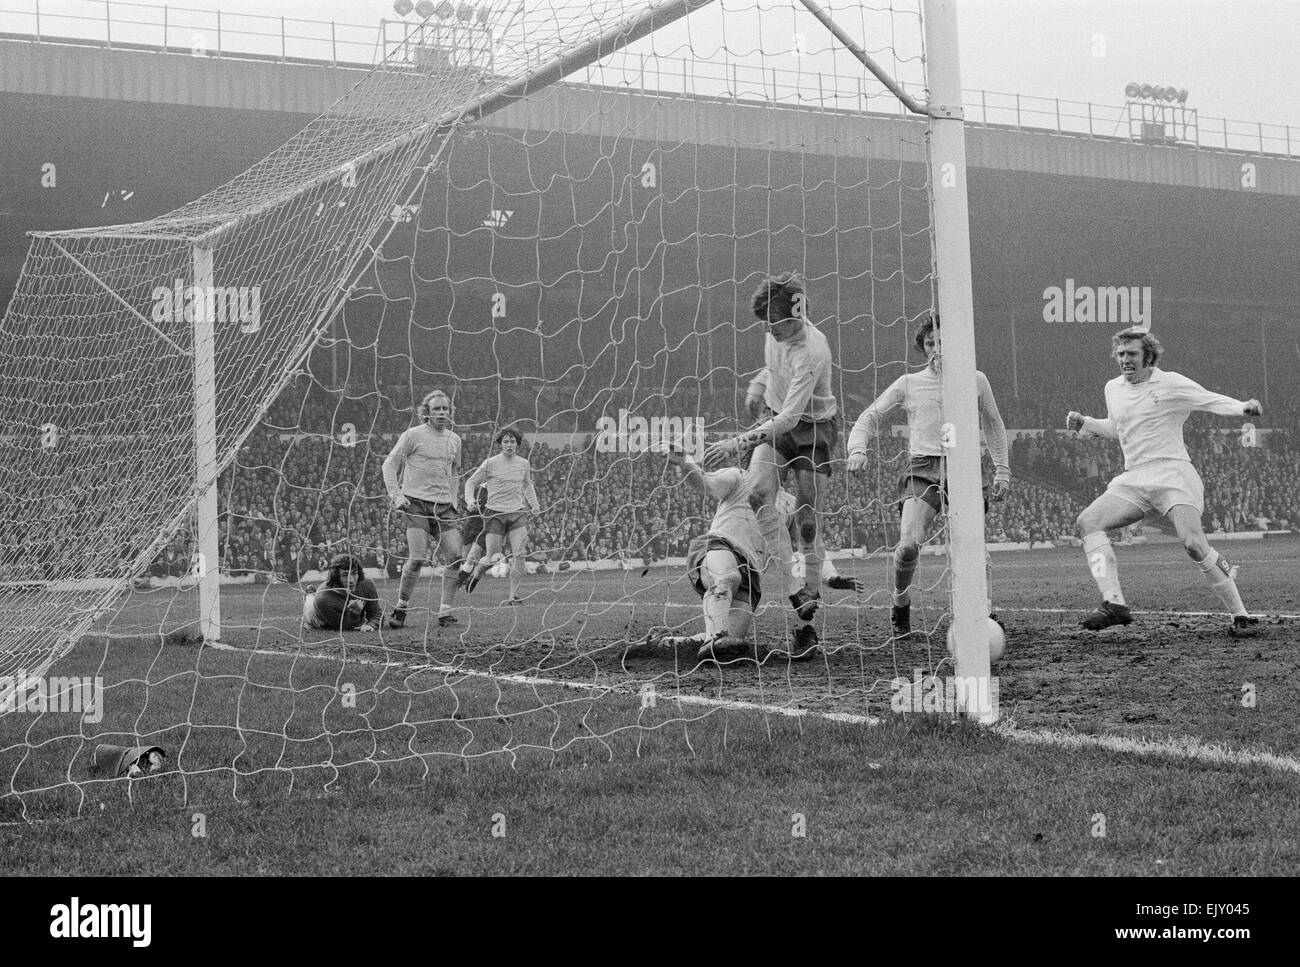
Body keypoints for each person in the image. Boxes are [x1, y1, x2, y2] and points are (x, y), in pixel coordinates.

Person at [1066, 327, 1262, 635]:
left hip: (1173, 475)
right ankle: (1114, 603)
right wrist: (1086, 424)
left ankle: (1240, 614)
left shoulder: (1169, 383)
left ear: (1148, 356)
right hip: (1135, 477)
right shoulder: (1113, 388)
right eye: (1120, 354)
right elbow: (1118, 429)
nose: (1124, 360)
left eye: (1131, 354)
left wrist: (1242, 408)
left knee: (1194, 545)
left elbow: (1208, 400)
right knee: (1088, 521)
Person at [846, 315, 1011, 637]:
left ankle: (984, 613)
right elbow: (869, 417)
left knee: (974, 548)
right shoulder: (909, 383)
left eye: (943, 341)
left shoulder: (975, 380)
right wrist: (857, 450)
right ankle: (900, 601)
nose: (937, 348)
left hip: (965, 468)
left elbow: (993, 423)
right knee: (907, 546)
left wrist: (1002, 470)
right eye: (931, 343)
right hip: (923, 467)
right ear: (923, 348)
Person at [704, 272, 837, 659]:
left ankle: (807, 624)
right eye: (767, 323)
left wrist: (737, 441)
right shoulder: (773, 332)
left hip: (812, 429)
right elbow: (773, 369)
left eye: (776, 324)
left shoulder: (813, 350)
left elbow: (792, 420)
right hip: (774, 415)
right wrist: (758, 385)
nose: (770, 330)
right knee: (760, 493)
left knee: (808, 522)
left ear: (797, 315)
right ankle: (796, 590)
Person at [632, 441, 782, 663]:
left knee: (732, 638)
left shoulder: (789, 503)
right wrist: (686, 462)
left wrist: (826, 578)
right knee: (727, 578)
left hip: (751, 572)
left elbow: (801, 550)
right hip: (720, 547)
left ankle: (662, 643)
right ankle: (713, 643)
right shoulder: (739, 477)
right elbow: (706, 484)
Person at [381, 389, 464, 629]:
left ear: (450, 412)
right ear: (426, 412)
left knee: (455, 556)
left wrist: (454, 498)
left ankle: (445, 612)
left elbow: (455, 471)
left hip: (444, 505)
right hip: (415, 502)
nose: (441, 412)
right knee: (417, 558)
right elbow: (389, 465)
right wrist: (396, 496)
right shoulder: (413, 435)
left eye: (445, 408)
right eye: (436, 408)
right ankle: (401, 608)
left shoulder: (454, 440)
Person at [462, 428, 541, 603]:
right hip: (495, 514)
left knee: (519, 554)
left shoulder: (523, 463)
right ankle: (475, 575)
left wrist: (534, 504)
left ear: (517, 444)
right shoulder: (490, 463)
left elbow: (528, 485)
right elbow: (471, 482)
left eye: (512, 441)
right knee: (492, 558)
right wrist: (469, 500)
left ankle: (513, 595)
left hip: (517, 513)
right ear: (500, 444)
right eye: (505, 441)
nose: (509, 444)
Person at [302, 553, 380, 632]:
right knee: (310, 611)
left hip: (344, 615)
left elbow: (376, 613)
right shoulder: (323, 598)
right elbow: (342, 627)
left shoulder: (367, 584)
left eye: (354, 573)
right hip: (318, 616)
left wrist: (371, 625)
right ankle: (310, 594)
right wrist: (353, 614)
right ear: (336, 576)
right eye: (345, 575)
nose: (351, 580)